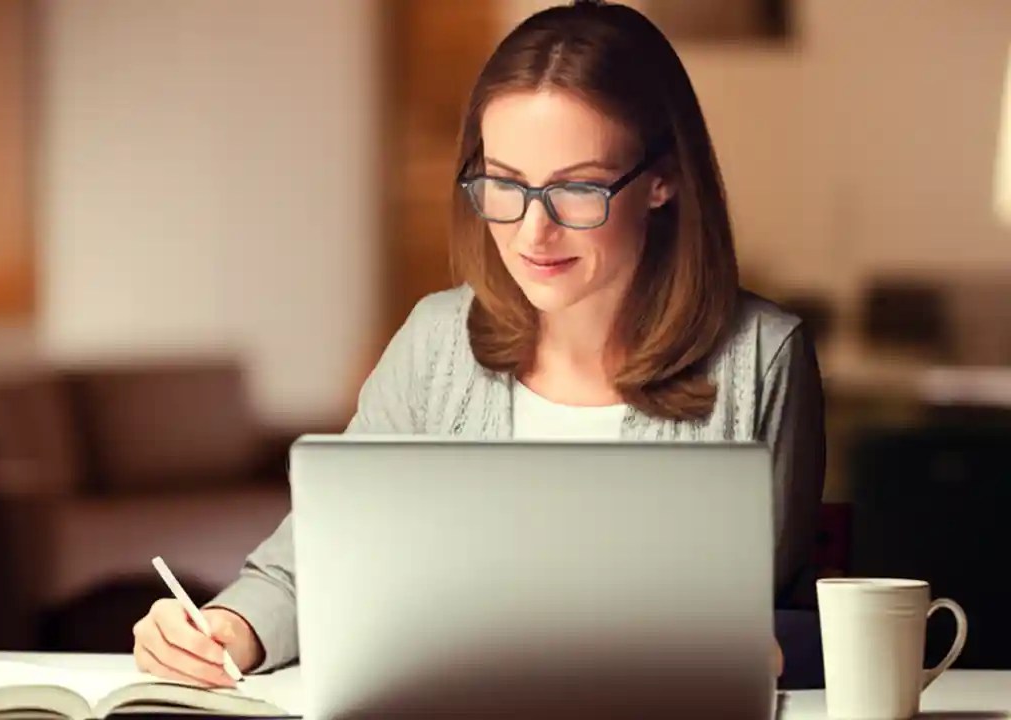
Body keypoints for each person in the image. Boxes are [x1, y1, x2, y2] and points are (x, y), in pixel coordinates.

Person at [133, 0, 824, 688]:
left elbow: (758, 620)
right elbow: (318, 559)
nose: (532, 234)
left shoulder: (763, 358)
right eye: (505, 184)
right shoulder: (435, 345)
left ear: (663, 179)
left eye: (576, 189)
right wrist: (233, 629)